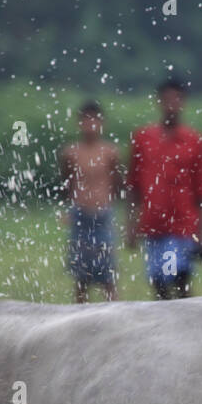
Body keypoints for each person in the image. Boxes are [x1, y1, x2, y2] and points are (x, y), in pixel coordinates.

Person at [125, 78, 202, 299]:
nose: (171, 104)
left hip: (183, 223)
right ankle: (166, 328)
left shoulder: (194, 141)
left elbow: (201, 189)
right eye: (167, 99)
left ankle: (188, 325)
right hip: (153, 224)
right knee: (159, 283)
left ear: (183, 102)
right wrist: (130, 226)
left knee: (178, 277)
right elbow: (133, 185)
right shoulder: (143, 138)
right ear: (159, 102)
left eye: (176, 99)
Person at [60, 100, 123, 302]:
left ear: (102, 122)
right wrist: (68, 210)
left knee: (107, 274)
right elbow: (66, 184)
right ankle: (79, 316)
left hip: (102, 213)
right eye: (85, 120)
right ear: (79, 123)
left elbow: (117, 183)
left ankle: (114, 316)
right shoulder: (71, 152)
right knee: (81, 275)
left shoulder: (109, 152)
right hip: (80, 214)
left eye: (94, 120)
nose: (90, 125)